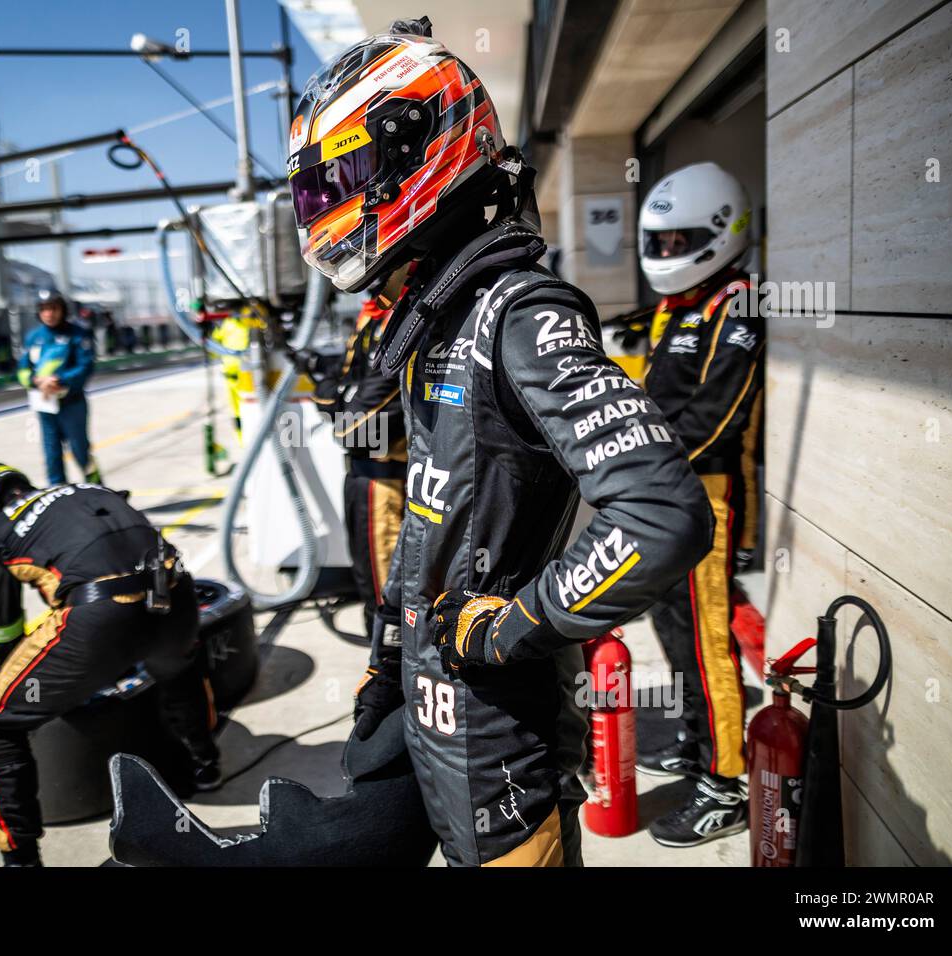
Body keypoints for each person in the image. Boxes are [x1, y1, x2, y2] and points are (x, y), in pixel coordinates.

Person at [288, 17, 714, 866]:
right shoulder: (438, 318)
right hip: (439, 708)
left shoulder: (519, 312)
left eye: (344, 178)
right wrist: (392, 652)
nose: (328, 206)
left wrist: (510, 627)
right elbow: (436, 517)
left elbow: (662, 516)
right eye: (315, 190)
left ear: (420, 147)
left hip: (502, 736)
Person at [0, 463, 220, 866]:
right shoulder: (86, 490)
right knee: (178, 668)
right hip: (175, 593)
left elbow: (4, 632)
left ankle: (20, 859)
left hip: (102, 613)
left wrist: (49, 680)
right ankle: (205, 766)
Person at [635, 161, 766, 846]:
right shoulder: (677, 305)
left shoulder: (738, 302)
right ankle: (696, 742)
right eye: (657, 243)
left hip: (706, 497)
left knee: (708, 640)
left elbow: (717, 414)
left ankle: (726, 783)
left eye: (676, 242)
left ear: (721, 232)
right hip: (662, 491)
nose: (665, 253)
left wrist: (640, 458)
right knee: (675, 631)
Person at [299, 266, 410, 640]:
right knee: (366, 578)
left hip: (386, 480)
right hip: (361, 476)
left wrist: (331, 400)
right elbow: (351, 377)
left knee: (386, 590)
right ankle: (380, 656)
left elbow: (355, 430)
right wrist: (324, 374)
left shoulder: (405, 318)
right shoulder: (373, 313)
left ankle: (391, 662)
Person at [18, 288, 101, 485]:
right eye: (44, 309)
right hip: (46, 406)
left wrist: (59, 380)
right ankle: (58, 495)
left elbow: (85, 366)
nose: (49, 313)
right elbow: (22, 370)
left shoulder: (78, 335)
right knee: (52, 455)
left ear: (62, 309)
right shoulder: (33, 337)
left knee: (81, 452)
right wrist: (36, 381)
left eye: (53, 308)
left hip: (72, 404)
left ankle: (98, 490)